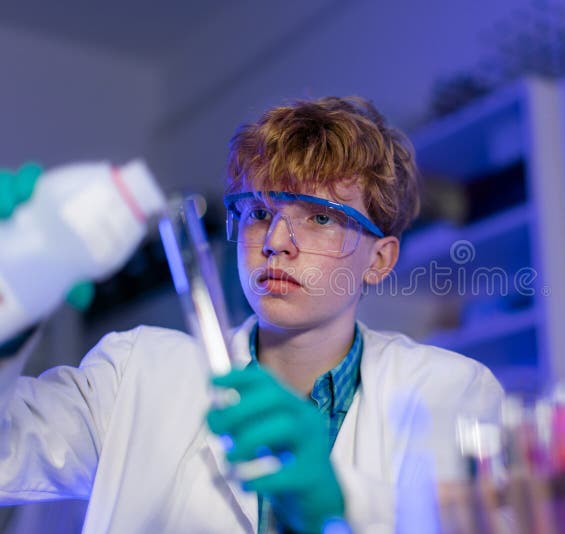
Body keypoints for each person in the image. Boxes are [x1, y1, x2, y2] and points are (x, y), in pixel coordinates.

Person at [0, 96, 504, 533]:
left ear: (380, 259)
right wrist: (10, 301)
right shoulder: (135, 372)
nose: (276, 242)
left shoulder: (449, 391)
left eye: (321, 217)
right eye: (260, 213)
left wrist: (341, 506)